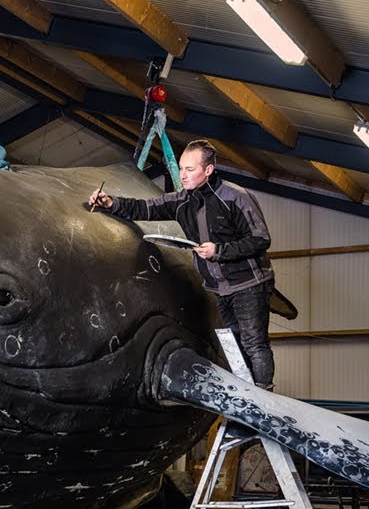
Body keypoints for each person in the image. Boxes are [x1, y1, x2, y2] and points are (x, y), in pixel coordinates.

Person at [88, 140, 276, 389]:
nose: (182, 175)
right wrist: (111, 203)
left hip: (250, 284)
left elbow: (260, 239)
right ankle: (248, 402)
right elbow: (145, 208)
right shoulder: (182, 201)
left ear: (208, 170)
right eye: (180, 168)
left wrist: (218, 251)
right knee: (234, 345)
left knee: (254, 343)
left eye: (190, 169)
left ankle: (265, 402)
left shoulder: (235, 198)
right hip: (220, 288)